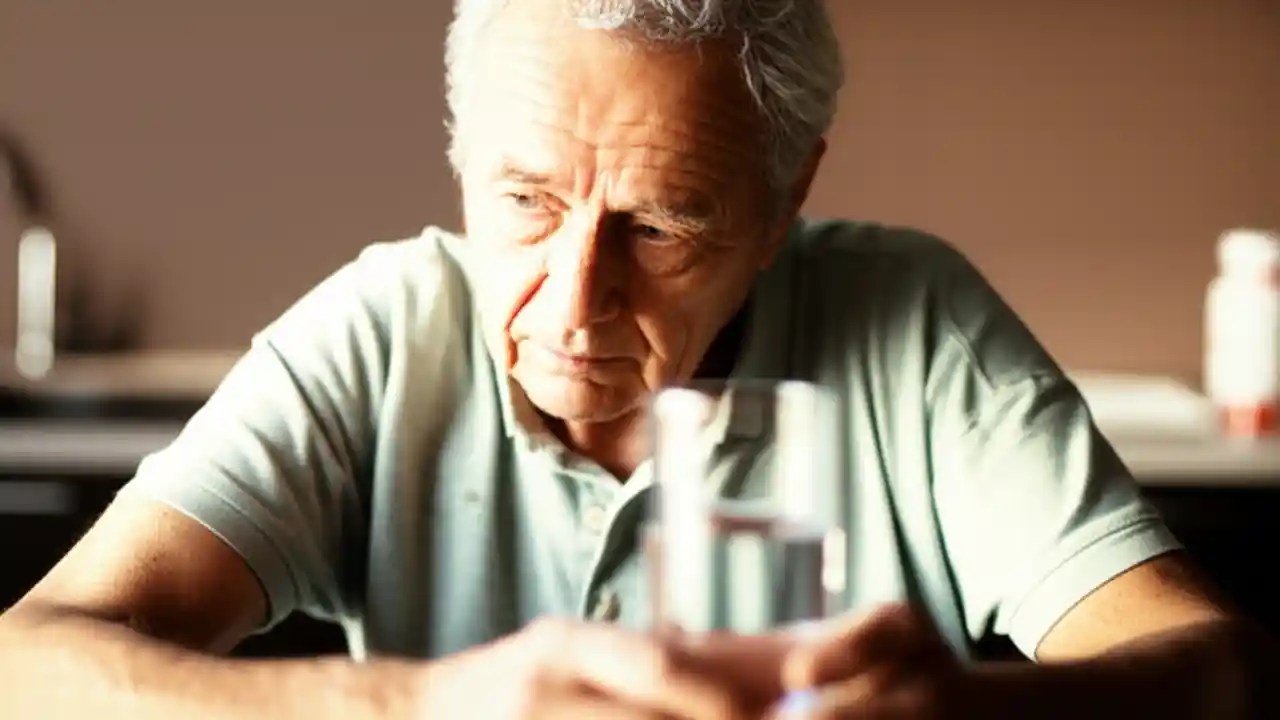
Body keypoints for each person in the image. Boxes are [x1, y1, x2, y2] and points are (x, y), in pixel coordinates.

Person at [1, 0, 1274, 717]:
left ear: (785, 204)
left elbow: (1217, 665)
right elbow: (28, 661)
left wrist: (967, 718)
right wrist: (437, 708)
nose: (572, 301)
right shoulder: (382, 329)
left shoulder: (912, 317)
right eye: (523, 202)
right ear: (459, 160)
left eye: (658, 226)